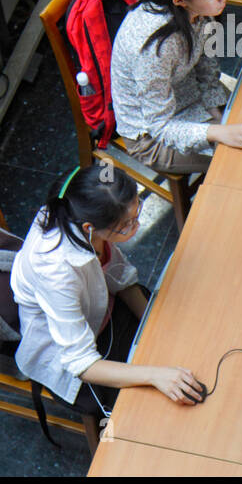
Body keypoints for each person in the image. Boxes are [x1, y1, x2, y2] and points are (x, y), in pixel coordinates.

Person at [11, 165, 205, 417]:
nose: (136, 226)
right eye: (126, 225)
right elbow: (81, 362)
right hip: (68, 349)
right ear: (90, 228)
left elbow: (119, 275)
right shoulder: (56, 271)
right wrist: (155, 375)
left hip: (101, 308)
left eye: (137, 213)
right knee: (146, 410)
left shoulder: (79, 214)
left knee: (179, 336)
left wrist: (158, 326)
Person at [110, 0, 242, 174]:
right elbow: (160, 126)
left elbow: (204, 59)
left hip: (187, 93)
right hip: (152, 136)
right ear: (180, 1)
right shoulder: (155, 49)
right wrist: (219, 131)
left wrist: (215, 106)